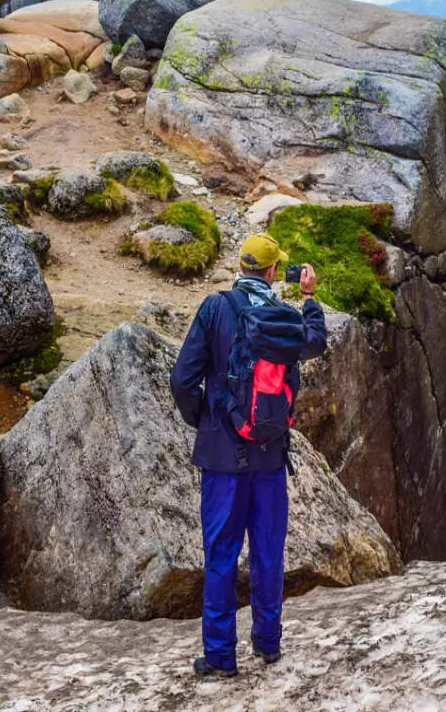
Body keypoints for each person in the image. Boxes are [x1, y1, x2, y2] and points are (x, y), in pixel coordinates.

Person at [170, 233, 327, 678]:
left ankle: (220, 657)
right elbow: (315, 342)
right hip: (271, 456)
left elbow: (183, 379)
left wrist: (204, 418)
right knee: (268, 553)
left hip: (222, 458)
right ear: (275, 271)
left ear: (240, 267)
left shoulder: (215, 308)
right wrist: (310, 298)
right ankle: (268, 643)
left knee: (221, 556)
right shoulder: (283, 316)